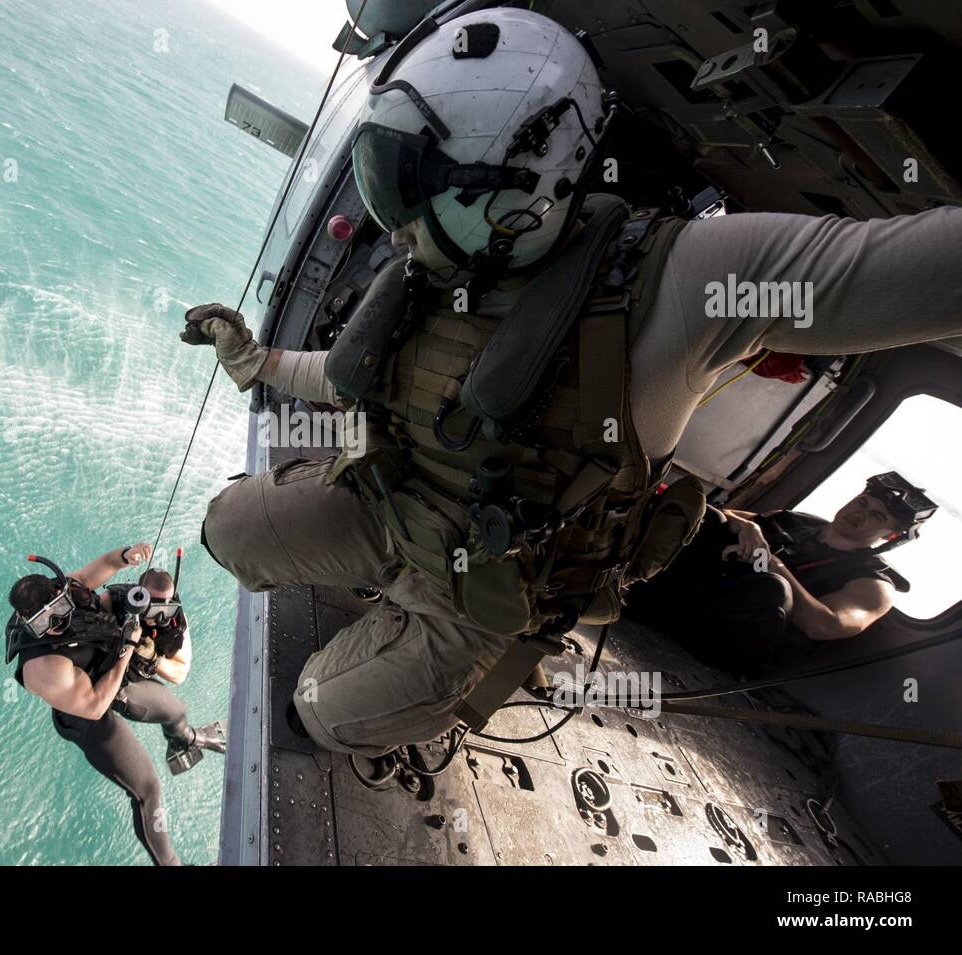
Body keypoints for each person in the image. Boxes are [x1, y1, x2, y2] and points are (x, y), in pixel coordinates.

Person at [181, 7, 962, 758]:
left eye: (418, 201)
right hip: (390, 503)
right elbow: (352, 377)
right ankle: (387, 593)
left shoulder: (685, 279)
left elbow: (928, 272)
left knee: (314, 711)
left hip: (491, 586)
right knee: (226, 531)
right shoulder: (434, 263)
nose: (398, 230)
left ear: (521, 187)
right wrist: (259, 363)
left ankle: (438, 657)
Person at [6, 544, 225, 866]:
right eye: (43, 623)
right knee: (148, 789)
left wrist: (126, 556)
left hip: (110, 674)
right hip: (85, 714)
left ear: (61, 591)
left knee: (177, 710)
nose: (56, 624)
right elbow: (94, 706)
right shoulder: (43, 669)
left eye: (60, 608)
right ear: (27, 623)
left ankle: (184, 740)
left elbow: (104, 564)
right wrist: (127, 647)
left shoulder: (71, 589)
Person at [624, 472, 935, 675]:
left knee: (773, 590)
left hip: (729, 645)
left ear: (890, 536)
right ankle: (629, 586)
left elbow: (825, 625)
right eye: (862, 502)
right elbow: (725, 515)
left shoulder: (876, 584)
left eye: (875, 515)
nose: (858, 513)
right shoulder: (797, 521)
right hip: (692, 598)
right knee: (709, 517)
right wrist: (748, 526)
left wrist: (772, 563)